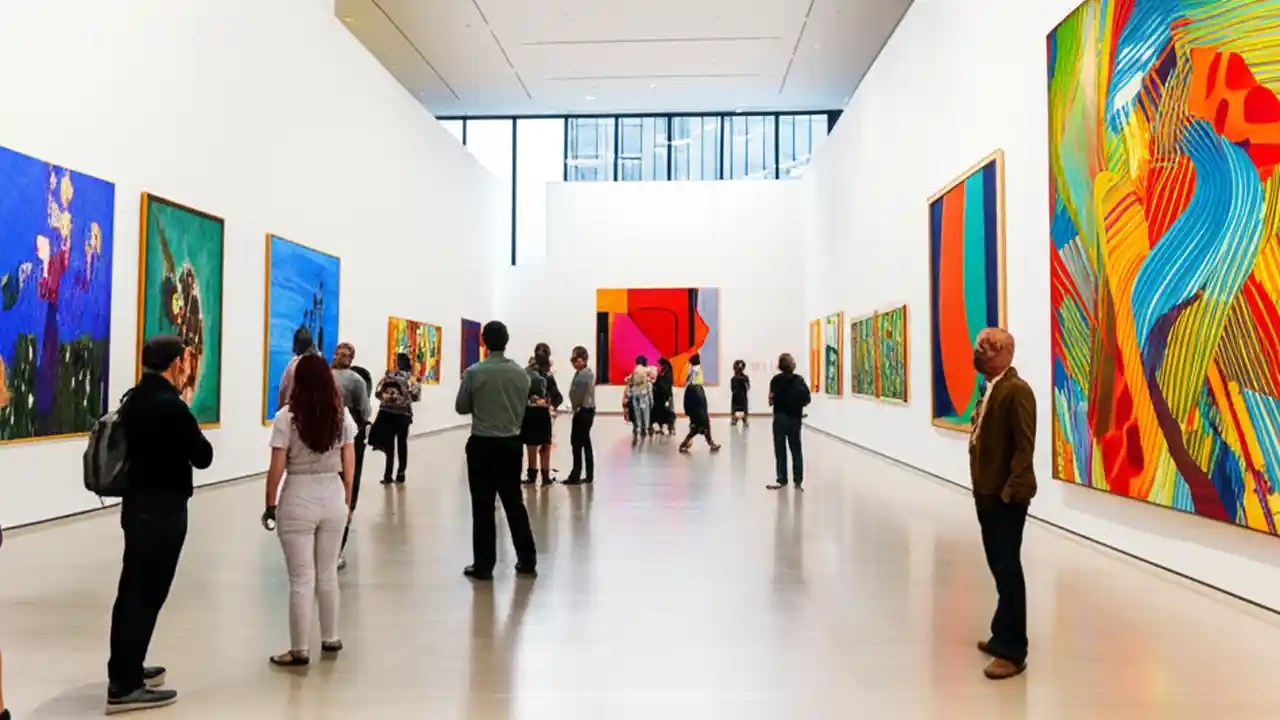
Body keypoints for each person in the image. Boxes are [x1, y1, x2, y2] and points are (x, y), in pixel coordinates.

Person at [107, 335, 213, 714]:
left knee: (131, 590)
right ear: (174, 363)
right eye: (185, 358)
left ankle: (124, 668)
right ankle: (125, 687)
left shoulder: (134, 399)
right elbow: (203, 457)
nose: (188, 363)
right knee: (147, 595)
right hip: (164, 511)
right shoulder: (172, 407)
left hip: (136, 508)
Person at [261, 354, 356, 667]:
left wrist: (270, 504)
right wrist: (347, 498)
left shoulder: (286, 417)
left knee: (302, 578)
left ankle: (299, 649)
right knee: (327, 574)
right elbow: (349, 463)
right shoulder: (340, 416)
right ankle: (331, 637)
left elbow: (276, 468)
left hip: (298, 495)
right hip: (333, 494)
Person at [969, 327, 1037, 681]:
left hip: (1005, 497)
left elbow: (1025, 448)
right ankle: (1001, 633)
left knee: (1008, 569)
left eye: (987, 348)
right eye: (979, 347)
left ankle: (1014, 650)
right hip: (987, 492)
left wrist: (1011, 492)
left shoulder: (1017, 391)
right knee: (999, 566)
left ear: (1007, 352)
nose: (979, 353)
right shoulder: (991, 388)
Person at [456, 321, 538, 580]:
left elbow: (461, 406)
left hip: (482, 444)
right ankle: (527, 559)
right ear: (507, 340)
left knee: (482, 506)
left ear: (483, 341)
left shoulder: (474, 372)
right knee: (514, 501)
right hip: (511, 444)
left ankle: (484, 565)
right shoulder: (520, 374)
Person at [332, 342, 371, 570]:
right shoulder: (356, 381)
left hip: (324, 440)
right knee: (348, 489)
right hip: (349, 439)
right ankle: (336, 551)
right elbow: (365, 412)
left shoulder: (324, 376)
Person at [765, 354, 811, 490]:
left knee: (780, 449)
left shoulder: (775, 380)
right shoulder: (799, 380)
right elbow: (807, 399)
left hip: (779, 417)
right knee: (796, 449)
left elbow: (770, 400)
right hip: (794, 418)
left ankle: (782, 478)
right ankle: (798, 480)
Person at [372, 352, 419, 484]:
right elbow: (416, 396)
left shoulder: (388, 376)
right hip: (404, 414)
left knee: (389, 445)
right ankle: (401, 473)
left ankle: (387, 475)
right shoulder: (411, 378)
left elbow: (377, 392)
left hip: (387, 413)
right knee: (402, 444)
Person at [521, 344, 559, 485]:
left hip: (529, 412)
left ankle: (531, 475)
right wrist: (548, 402)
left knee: (531, 444)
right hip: (543, 413)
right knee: (545, 445)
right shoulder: (548, 375)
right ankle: (545, 476)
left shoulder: (526, 372)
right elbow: (556, 397)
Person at [564, 346, 595, 485]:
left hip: (583, 411)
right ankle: (588, 475)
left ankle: (576, 475)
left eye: (576, 359)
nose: (574, 363)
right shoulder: (583, 373)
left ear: (583, 359)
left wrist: (575, 405)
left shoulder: (583, 375)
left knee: (577, 443)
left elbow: (576, 394)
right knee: (585, 442)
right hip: (585, 411)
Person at [679, 353, 720, 454]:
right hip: (697, 397)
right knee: (701, 424)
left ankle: (685, 444)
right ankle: (685, 444)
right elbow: (701, 401)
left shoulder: (692, 371)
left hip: (695, 399)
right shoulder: (696, 370)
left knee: (697, 425)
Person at [277, 326, 318, 411]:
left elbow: (282, 391)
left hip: (292, 412)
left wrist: (281, 413)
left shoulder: (292, 365)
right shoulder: (319, 364)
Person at [625, 356, 654, 439]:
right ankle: (646, 427)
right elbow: (653, 376)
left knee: (637, 411)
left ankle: (638, 427)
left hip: (635, 393)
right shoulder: (646, 369)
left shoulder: (635, 370)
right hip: (643, 393)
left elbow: (628, 380)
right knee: (645, 411)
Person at [651, 358, 676, 435]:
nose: (661, 365)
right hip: (663, 395)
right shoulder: (665, 371)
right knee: (664, 411)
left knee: (668, 411)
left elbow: (664, 383)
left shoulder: (668, 372)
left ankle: (671, 427)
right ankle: (664, 427)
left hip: (666, 395)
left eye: (661, 363)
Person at [730, 359, 751, 427]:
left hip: (743, 397)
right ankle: (735, 418)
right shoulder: (733, 378)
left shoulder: (745, 378)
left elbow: (748, 387)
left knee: (744, 408)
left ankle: (744, 419)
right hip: (736, 397)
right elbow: (733, 389)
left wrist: (744, 383)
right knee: (735, 408)